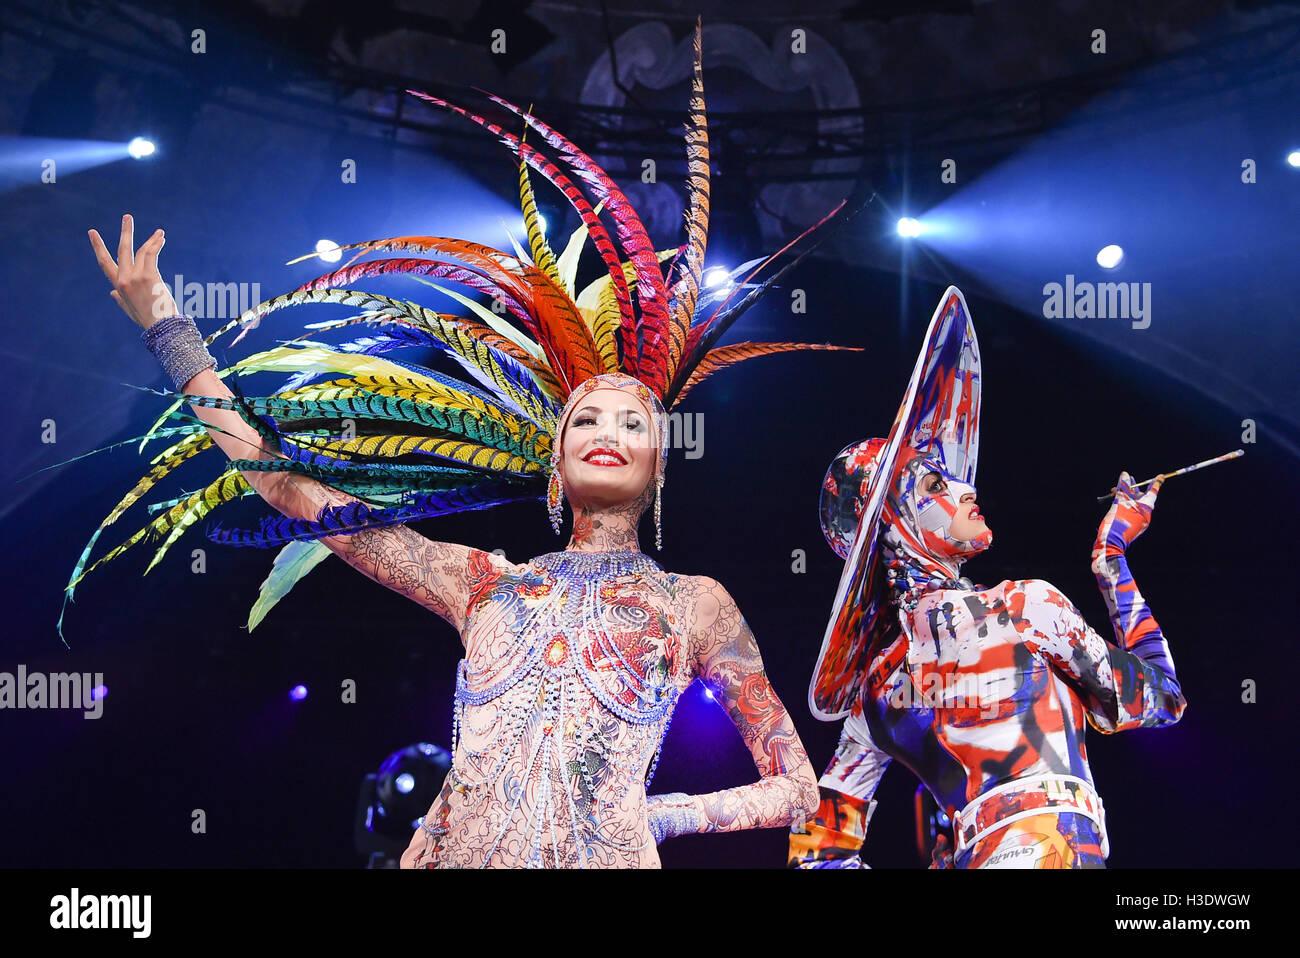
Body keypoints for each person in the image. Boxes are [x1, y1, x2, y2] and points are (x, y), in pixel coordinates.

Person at [80, 27, 838, 867]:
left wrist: (661, 816)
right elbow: (287, 489)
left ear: (660, 468)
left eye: (634, 424)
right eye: (586, 419)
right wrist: (168, 329)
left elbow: (798, 788)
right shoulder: (484, 586)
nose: (608, 432)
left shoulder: (696, 607)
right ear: (555, 463)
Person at [788, 287, 1186, 869]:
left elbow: (816, 852)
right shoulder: (1025, 608)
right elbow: (1162, 697)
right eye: (932, 486)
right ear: (894, 526)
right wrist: (1112, 556)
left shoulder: (877, 688)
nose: (964, 488)